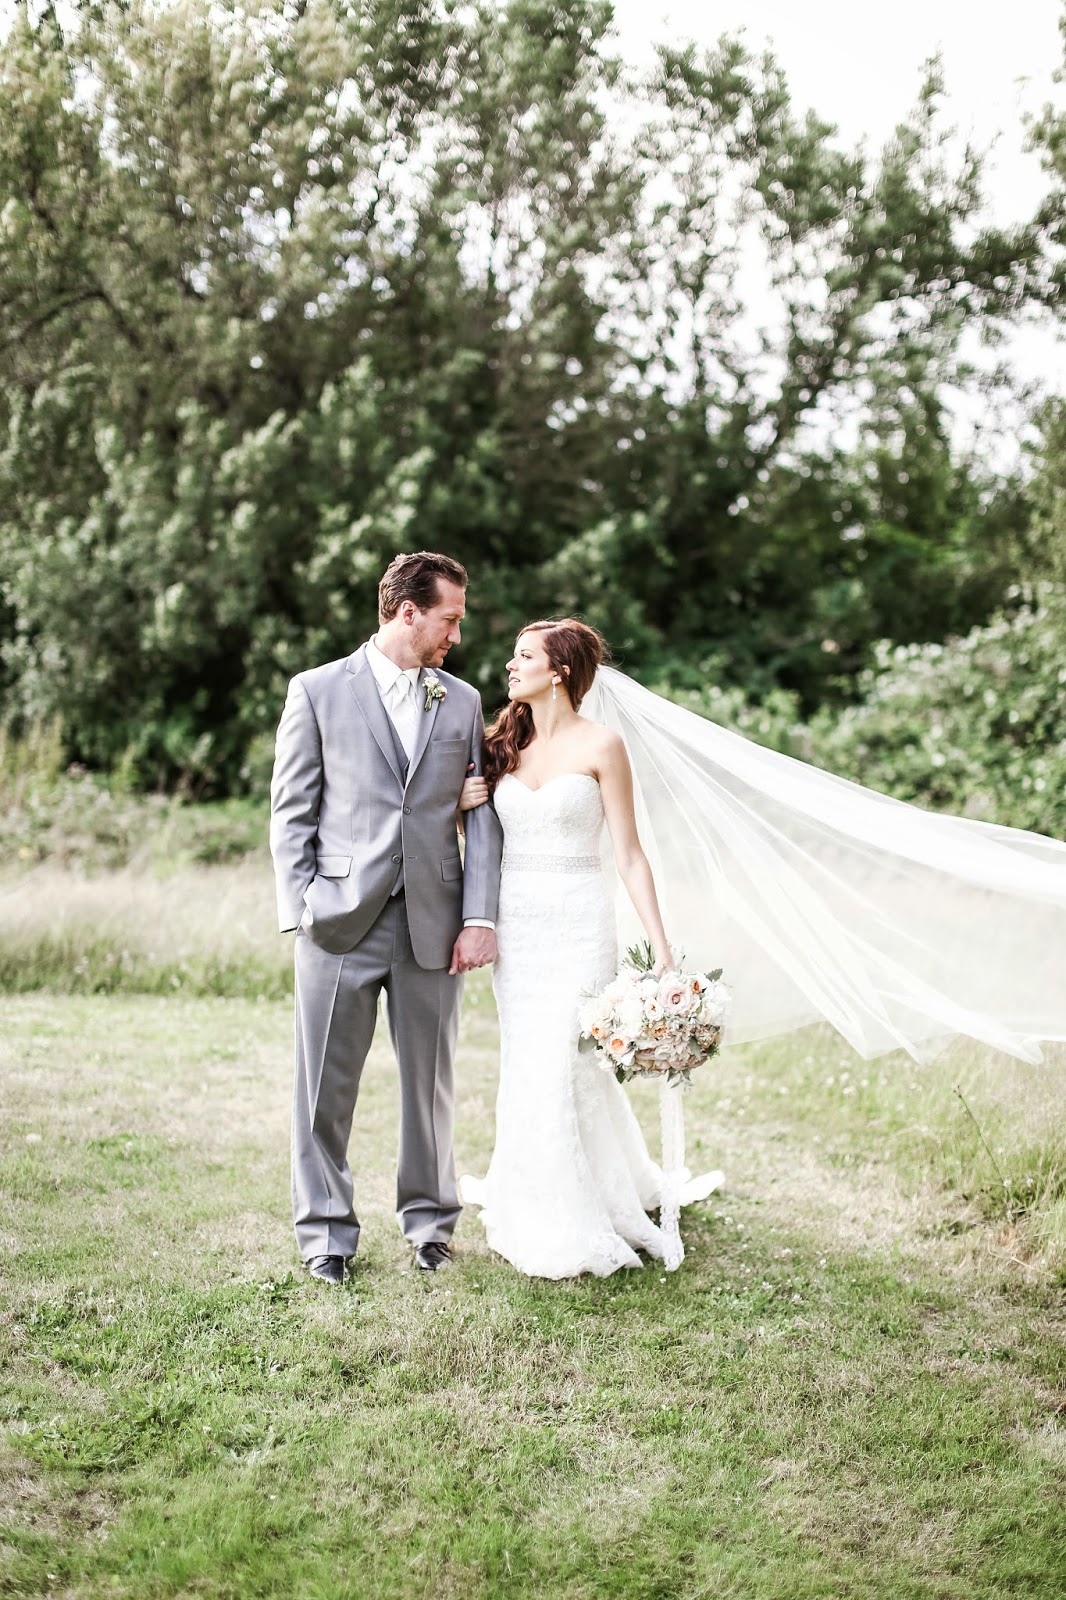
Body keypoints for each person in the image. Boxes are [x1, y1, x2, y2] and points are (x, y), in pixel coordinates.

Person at [457, 619, 721, 1279]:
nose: (510, 667)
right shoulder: (500, 747)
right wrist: (463, 807)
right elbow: (476, 840)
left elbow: (629, 856)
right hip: (518, 926)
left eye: (524, 657)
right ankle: (535, 1195)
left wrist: (661, 949)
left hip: (579, 923)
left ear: (560, 672)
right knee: (528, 1058)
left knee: (570, 1061)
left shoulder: (603, 746)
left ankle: (582, 1209)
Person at [269, 551, 503, 1283]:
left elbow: (483, 817)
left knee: (429, 1083)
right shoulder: (314, 691)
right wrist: (302, 907)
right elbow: (291, 811)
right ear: (408, 612)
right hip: (339, 921)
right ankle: (326, 1236)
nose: (455, 635)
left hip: (433, 921)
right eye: (449, 618)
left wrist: (479, 915)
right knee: (323, 1090)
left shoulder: (461, 701)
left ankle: (430, 1223)